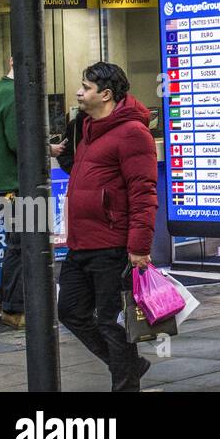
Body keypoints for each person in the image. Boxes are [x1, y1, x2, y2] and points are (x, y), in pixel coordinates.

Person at [55, 63, 158, 392]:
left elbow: (143, 193)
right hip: (81, 243)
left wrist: (139, 248)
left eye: (85, 87)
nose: (78, 92)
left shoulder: (131, 133)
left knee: (113, 324)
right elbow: (77, 169)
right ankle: (130, 364)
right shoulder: (87, 128)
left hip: (112, 246)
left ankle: (125, 385)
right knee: (70, 311)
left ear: (106, 94)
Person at [0, 56, 23, 329]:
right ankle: (13, 308)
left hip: (3, 183)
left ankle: (4, 300)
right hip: (15, 184)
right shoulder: (14, 94)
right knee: (22, 246)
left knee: (16, 244)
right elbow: (18, 141)